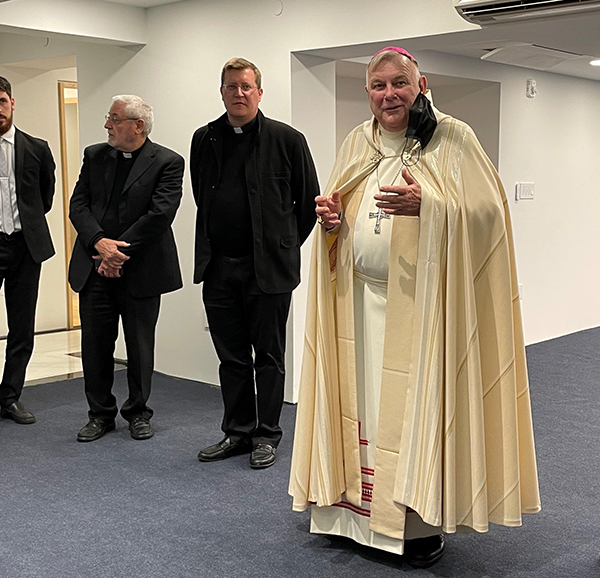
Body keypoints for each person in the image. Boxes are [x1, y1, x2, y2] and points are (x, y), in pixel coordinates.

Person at [289, 47, 540, 567]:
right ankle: (347, 515)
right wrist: (332, 221)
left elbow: (489, 216)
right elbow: (344, 210)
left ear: (421, 85)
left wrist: (433, 206)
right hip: (357, 303)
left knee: (410, 414)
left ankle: (413, 526)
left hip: (422, 310)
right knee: (356, 408)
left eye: (399, 83)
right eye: (378, 85)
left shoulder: (452, 137)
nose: (389, 95)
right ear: (367, 92)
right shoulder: (357, 142)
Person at [190, 58, 319, 469]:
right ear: (222, 92)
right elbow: (201, 194)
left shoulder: (287, 139)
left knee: (268, 357)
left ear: (259, 93)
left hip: (268, 270)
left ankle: (267, 435)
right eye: (231, 86)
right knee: (231, 357)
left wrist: (281, 247)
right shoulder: (204, 138)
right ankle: (237, 431)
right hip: (219, 267)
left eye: (246, 87)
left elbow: (307, 204)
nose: (239, 93)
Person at [69, 95, 183, 442]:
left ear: (138, 125)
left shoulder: (168, 162)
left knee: (139, 346)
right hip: (93, 267)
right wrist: (100, 243)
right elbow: (78, 205)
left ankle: (138, 412)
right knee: (95, 347)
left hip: (141, 269)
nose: (107, 125)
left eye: (114, 119)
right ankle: (100, 414)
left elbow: (159, 215)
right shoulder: (94, 155)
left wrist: (116, 253)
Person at [0, 76, 56, 425]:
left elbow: (45, 198)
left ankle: (9, 396)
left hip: (25, 247)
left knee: (22, 327)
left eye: (1, 100)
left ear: (12, 103)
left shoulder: (37, 148)